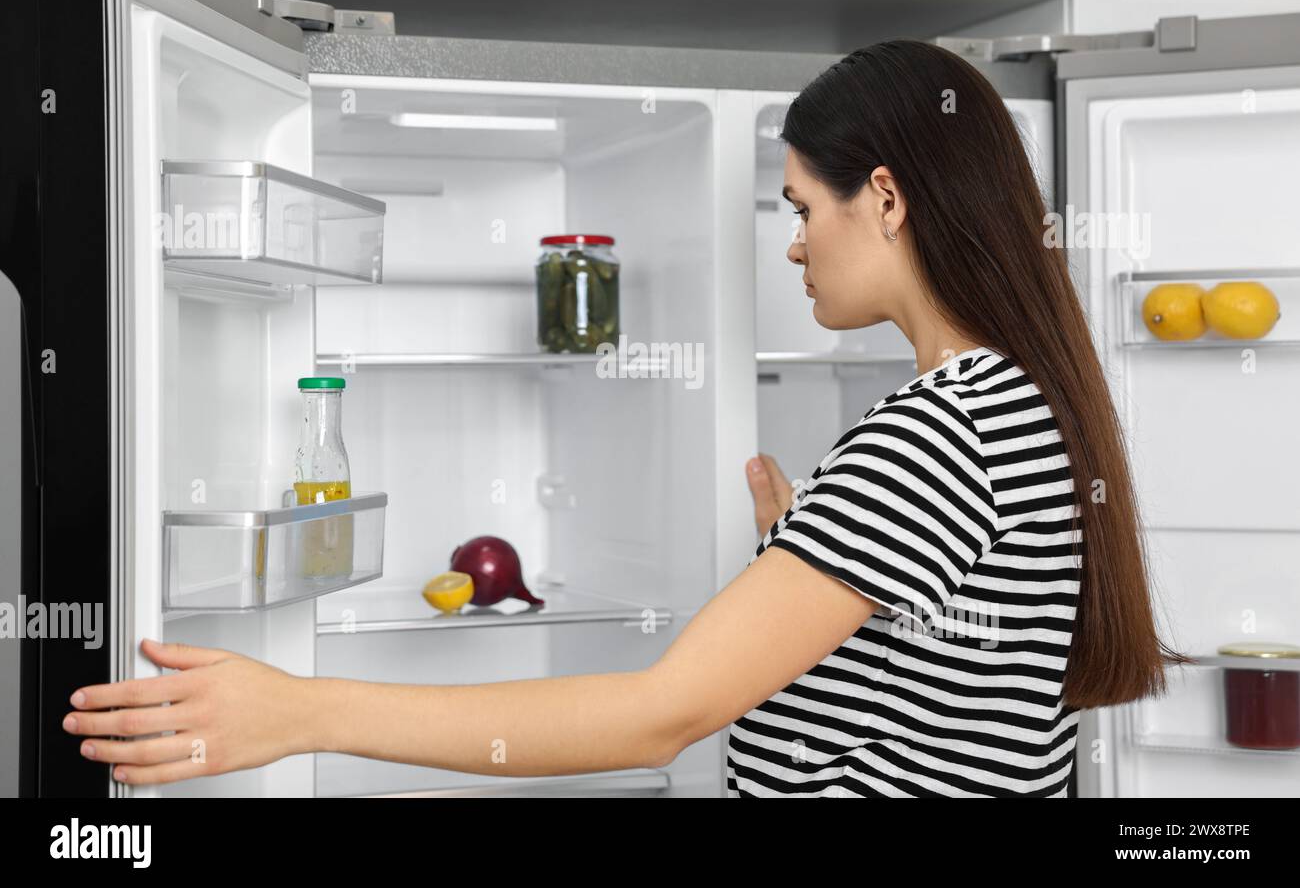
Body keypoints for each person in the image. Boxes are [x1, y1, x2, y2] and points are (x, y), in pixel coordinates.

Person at [62, 40, 1191, 796]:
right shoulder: (1021, 402)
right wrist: (816, 561)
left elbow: (657, 716)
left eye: (801, 207)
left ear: (884, 198)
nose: (793, 242)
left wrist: (299, 712)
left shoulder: (932, 437)